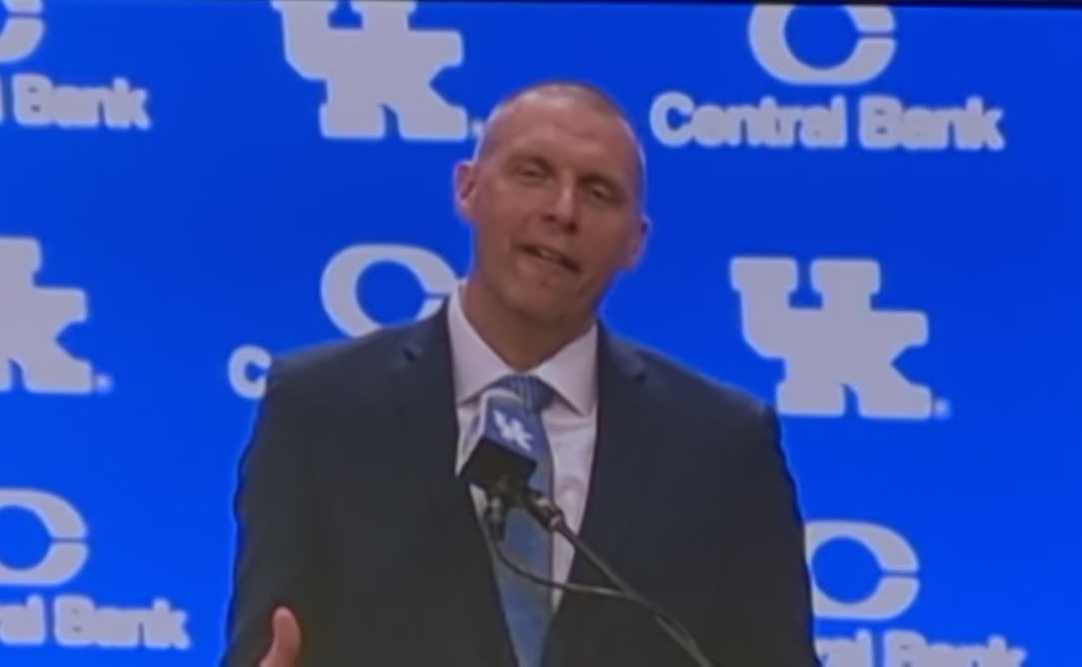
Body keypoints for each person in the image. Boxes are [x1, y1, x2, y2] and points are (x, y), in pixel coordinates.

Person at [225, 80, 818, 667]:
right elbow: (265, 646)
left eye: (599, 192)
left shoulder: (721, 444)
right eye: (532, 174)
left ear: (635, 243)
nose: (562, 211)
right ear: (468, 189)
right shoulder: (321, 410)